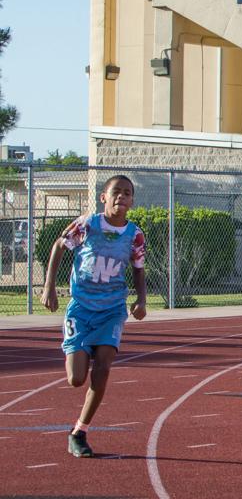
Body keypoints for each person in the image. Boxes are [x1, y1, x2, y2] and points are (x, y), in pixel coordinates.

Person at [41, 175, 147, 458]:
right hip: (82, 307)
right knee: (76, 379)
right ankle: (81, 349)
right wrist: (49, 287)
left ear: (132, 201)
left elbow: (138, 268)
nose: (121, 197)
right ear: (104, 197)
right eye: (116, 192)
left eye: (127, 193)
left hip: (112, 310)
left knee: (103, 370)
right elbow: (58, 247)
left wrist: (141, 299)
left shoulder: (134, 234)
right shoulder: (88, 224)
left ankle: (79, 432)